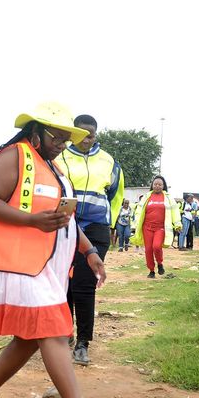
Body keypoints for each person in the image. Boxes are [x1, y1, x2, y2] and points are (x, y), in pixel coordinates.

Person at [0, 102, 121, 398]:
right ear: (36, 132)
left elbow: (67, 219)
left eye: (66, 138)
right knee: (54, 331)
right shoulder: (15, 155)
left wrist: (89, 251)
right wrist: (31, 221)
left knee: (31, 337)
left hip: (45, 266)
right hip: (17, 262)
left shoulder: (55, 166)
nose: (62, 143)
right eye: (57, 136)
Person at [58, 114, 124, 366]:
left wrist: (111, 223)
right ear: (74, 133)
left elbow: (115, 195)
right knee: (65, 282)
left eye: (92, 134)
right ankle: (66, 332)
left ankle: (83, 342)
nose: (87, 138)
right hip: (66, 226)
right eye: (82, 133)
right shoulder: (60, 156)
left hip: (96, 228)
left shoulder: (109, 161)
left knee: (84, 284)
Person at [131, 175, 180, 278]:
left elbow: (175, 211)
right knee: (148, 249)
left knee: (156, 247)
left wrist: (177, 224)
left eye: (160, 184)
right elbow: (139, 211)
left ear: (163, 186)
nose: (157, 186)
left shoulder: (168, 198)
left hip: (160, 228)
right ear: (152, 185)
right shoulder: (146, 197)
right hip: (147, 227)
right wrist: (134, 225)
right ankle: (151, 270)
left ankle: (160, 263)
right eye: (155, 184)